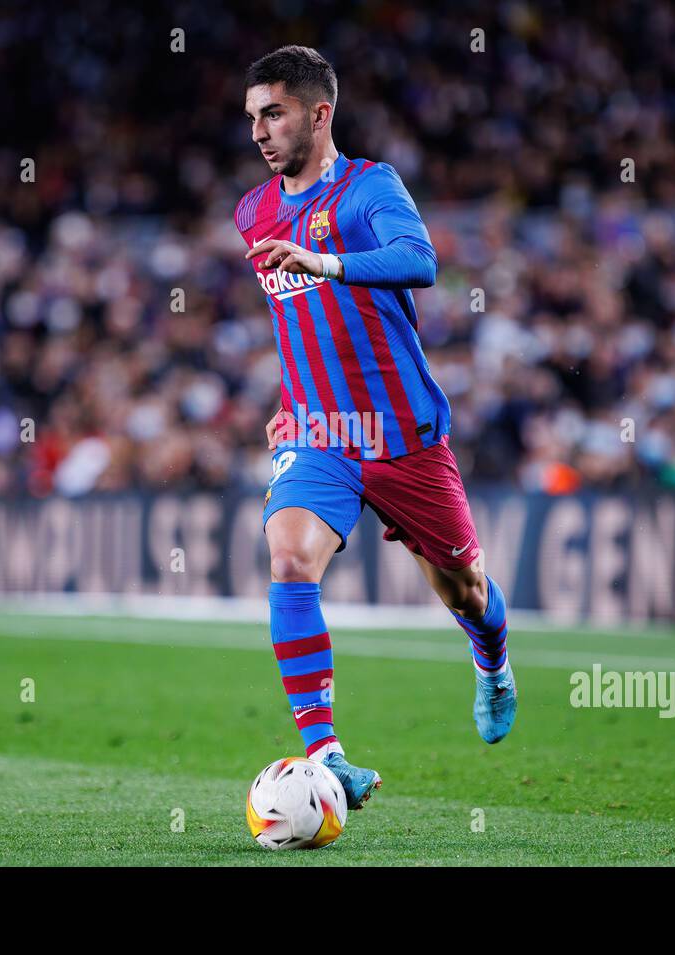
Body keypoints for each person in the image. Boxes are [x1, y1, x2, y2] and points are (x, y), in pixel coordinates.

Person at [235, 46, 517, 810]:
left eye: (274, 113)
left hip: (404, 438)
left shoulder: (371, 188)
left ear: (319, 113)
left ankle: (491, 662)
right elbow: (297, 323)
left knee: (465, 591)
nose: (259, 131)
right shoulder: (252, 212)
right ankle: (328, 758)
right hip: (319, 436)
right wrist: (287, 397)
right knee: (289, 560)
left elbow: (418, 260)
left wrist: (324, 261)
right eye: (253, 116)